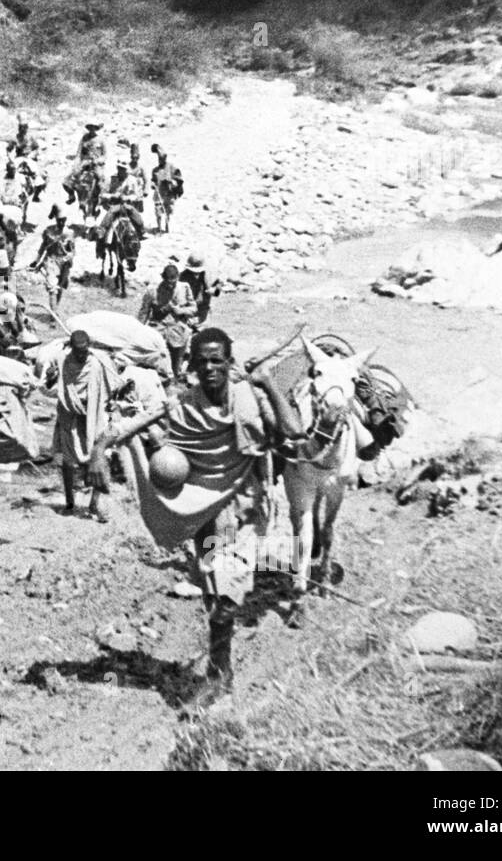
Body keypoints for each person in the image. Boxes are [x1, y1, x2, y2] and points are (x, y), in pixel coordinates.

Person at [88, 327, 303, 704]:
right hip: (205, 511)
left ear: (229, 362)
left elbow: (294, 432)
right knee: (211, 588)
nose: (209, 368)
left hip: (246, 509)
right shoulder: (183, 405)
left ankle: (219, 677)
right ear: (191, 364)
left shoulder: (250, 397)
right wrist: (99, 449)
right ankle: (223, 669)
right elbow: (130, 426)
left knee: (224, 594)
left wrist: (268, 384)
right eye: (201, 361)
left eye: (217, 360)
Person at [53, 330, 122, 519]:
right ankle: (69, 502)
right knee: (68, 460)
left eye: (85, 351)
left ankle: (94, 503)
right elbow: (49, 386)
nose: (82, 355)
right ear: (71, 348)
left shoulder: (99, 362)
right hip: (69, 416)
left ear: (89, 347)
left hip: (94, 415)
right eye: (78, 351)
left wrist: (115, 402)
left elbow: (113, 387)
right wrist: (52, 376)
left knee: (99, 457)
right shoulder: (61, 361)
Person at [138, 263, 198, 380]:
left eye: (173, 282)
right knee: (155, 363)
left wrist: (180, 311)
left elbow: (193, 309)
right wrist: (138, 331)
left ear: (178, 277)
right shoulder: (152, 291)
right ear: (163, 278)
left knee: (176, 365)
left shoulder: (184, 288)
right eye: (168, 282)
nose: (171, 285)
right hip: (158, 330)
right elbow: (144, 313)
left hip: (178, 331)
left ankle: (176, 380)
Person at [31, 207, 76, 308]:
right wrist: (36, 260)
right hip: (51, 261)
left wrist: (68, 257)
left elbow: (73, 251)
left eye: (63, 220)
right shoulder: (49, 231)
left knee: (60, 287)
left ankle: (54, 310)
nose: (61, 223)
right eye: (59, 220)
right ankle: (53, 316)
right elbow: (43, 247)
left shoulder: (69, 233)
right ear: (56, 219)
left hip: (64, 263)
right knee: (52, 287)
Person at [179, 253, 219, 325]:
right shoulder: (182, 277)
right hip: (187, 313)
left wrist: (214, 291)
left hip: (203, 313)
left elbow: (217, 290)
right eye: (193, 271)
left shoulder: (208, 275)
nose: (196, 274)